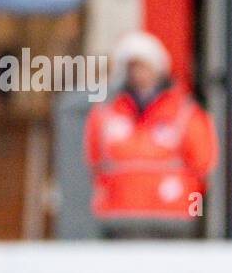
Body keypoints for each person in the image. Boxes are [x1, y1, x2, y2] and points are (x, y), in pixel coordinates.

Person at [84, 31, 218, 240]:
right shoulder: (105, 113)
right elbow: (94, 164)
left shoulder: (185, 113)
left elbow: (203, 170)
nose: (138, 73)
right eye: (132, 67)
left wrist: (195, 215)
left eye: (143, 66)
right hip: (118, 219)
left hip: (173, 219)